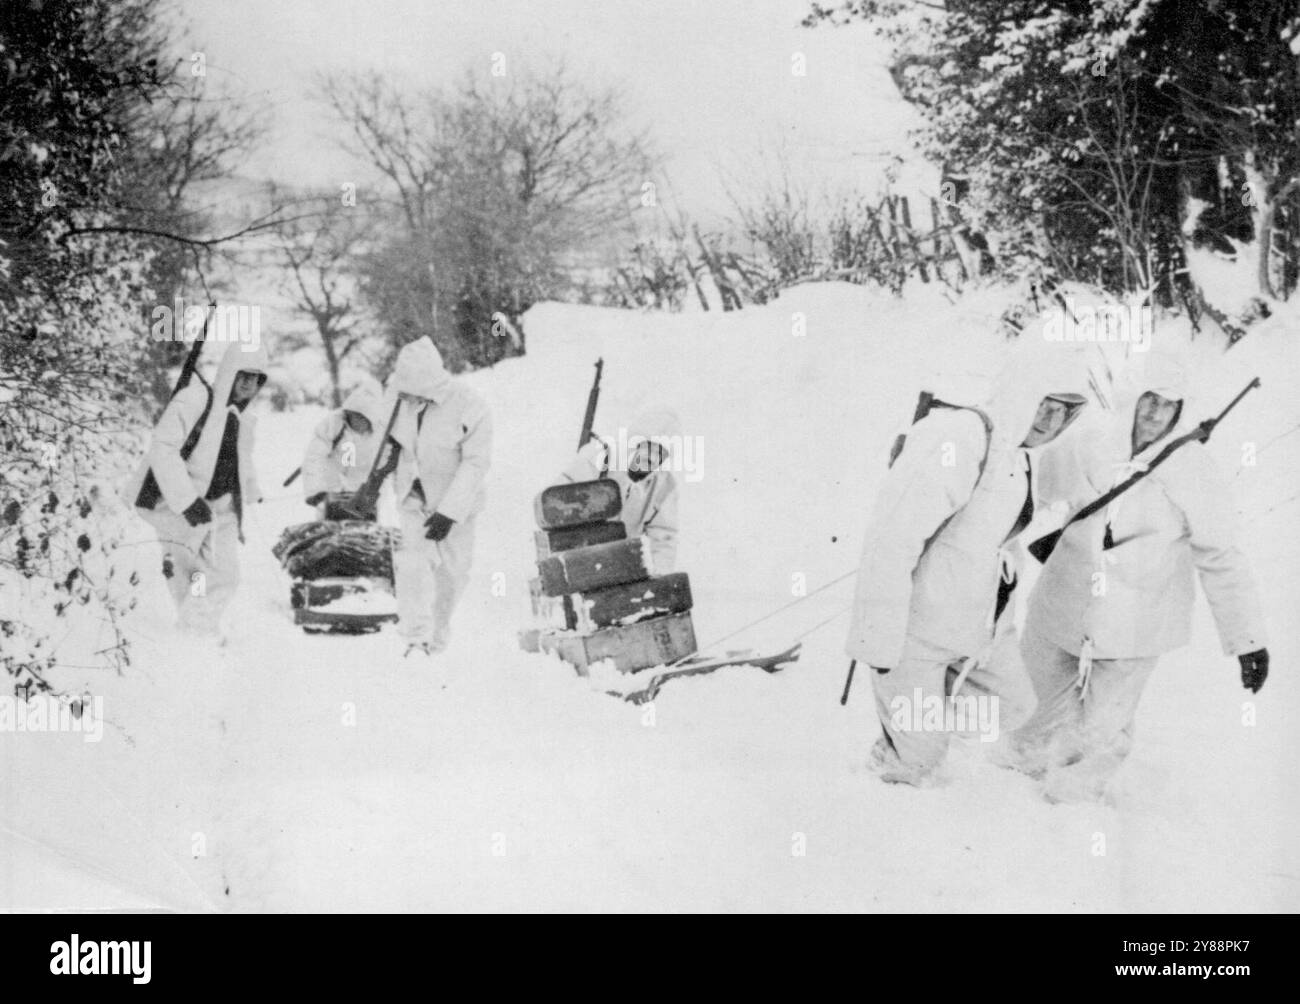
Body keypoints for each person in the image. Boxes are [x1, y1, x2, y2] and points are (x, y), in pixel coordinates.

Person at [1001, 352, 1269, 803]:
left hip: (1137, 622)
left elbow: (1221, 555)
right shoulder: (1089, 444)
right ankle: (1015, 801)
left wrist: (1246, 640)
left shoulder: (1194, 470)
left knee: (1101, 732)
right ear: (1133, 398)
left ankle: (1073, 809)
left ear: (1180, 410)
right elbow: (1027, 488)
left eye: (1167, 405)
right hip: (1063, 604)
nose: (1154, 413)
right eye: (1148, 399)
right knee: (1032, 715)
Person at [844, 354, 1089, 786]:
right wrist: (876, 638)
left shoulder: (1021, 458)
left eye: (1064, 411)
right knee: (920, 761)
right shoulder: (962, 437)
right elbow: (892, 538)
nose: (1050, 419)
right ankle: (889, 770)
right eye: (1044, 402)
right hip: (911, 635)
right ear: (1021, 393)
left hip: (968, 635)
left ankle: (916, 723)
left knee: (1013, 707)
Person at [129, 341, 269, 638]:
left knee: (225, 575)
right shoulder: (194, 399)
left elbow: (240, 460)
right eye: (243, 374)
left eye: (255, 378)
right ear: (229, 371)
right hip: (178, 505)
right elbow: (163, 447)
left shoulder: (245, 420)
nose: (247, 383)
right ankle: (194, 640)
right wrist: (187, 501)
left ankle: (196, 633)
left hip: (224, 507)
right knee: (187, 575)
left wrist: (252, 487)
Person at [386, 339, 492, 657]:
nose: (403, 394)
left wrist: (449, 512)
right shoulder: (399, 403)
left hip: (456, 504)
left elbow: (476, 463)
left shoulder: (470, 405)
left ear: (425, 382)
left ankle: (438, 635)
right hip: (413, 496)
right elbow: (389, 445)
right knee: (413, 567)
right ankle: (416, 639)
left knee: (453, 574)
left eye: (409, 387)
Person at [557, 408, 683, 571]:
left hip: (620, 562)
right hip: (578, 554)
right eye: (649, 448)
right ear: (636, 444)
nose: (651, 457)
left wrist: (660, 575)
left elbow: (664, 537)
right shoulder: (599, 458)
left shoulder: (665, 486)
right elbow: (558, 500)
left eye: (660, 453)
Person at [300, 380, 386, 516]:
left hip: (363, 498)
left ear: (371, 418)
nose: (355, 421)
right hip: (332, 494)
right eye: (353, 415)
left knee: (363, 534)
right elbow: (314, 457)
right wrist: (315, 491)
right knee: (330, 533)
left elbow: (386, 468)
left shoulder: (381, 435)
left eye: (361, 417)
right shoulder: (333, 424)